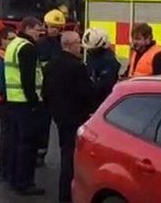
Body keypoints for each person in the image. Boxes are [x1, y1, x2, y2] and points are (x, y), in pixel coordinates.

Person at [42, 31, 94, 203]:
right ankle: (69, 196)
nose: (81, 46)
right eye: (78, 43)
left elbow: (46, 92)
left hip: (60, 117)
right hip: (76, 118)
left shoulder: (51, 65)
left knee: (66, 154)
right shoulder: (77, 67)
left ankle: (63, 195)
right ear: (70, 45)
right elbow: (86, 93)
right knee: (72, 159)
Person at [4, 16, 47, 196]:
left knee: (16, 143)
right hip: (25, 103)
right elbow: (28, 79)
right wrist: (34, 102)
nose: (40, 33)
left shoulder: (13, 44)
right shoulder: (27, 48)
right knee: (28, 145)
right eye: (37, 29)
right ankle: (25, 183)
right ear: (28, 28)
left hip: (13, 100)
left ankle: (13, 179)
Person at [33, 8, 66, 166]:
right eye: (52, 27)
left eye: (57, 28)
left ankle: (65, 152)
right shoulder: (40, 44)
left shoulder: (62, 43)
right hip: (45, 90)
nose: (54, 30)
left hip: (59, 91)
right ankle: (40, 153)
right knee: (42, 124)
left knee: (63, 125)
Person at [0, 28, 17, 184]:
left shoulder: (6, 56)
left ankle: (7, 170)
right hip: (3, 102)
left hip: (5, 101)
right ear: (3, 40)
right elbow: (1, 84)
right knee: (7, 137)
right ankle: (4, 171)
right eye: (11, 39)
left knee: (10, 136)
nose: (14, 42)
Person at [82, 28, 120, 105]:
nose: (89, 52)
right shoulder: (93, 57)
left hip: (103, 101)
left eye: (92, 50)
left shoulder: (108, 61)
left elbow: (105, 85)